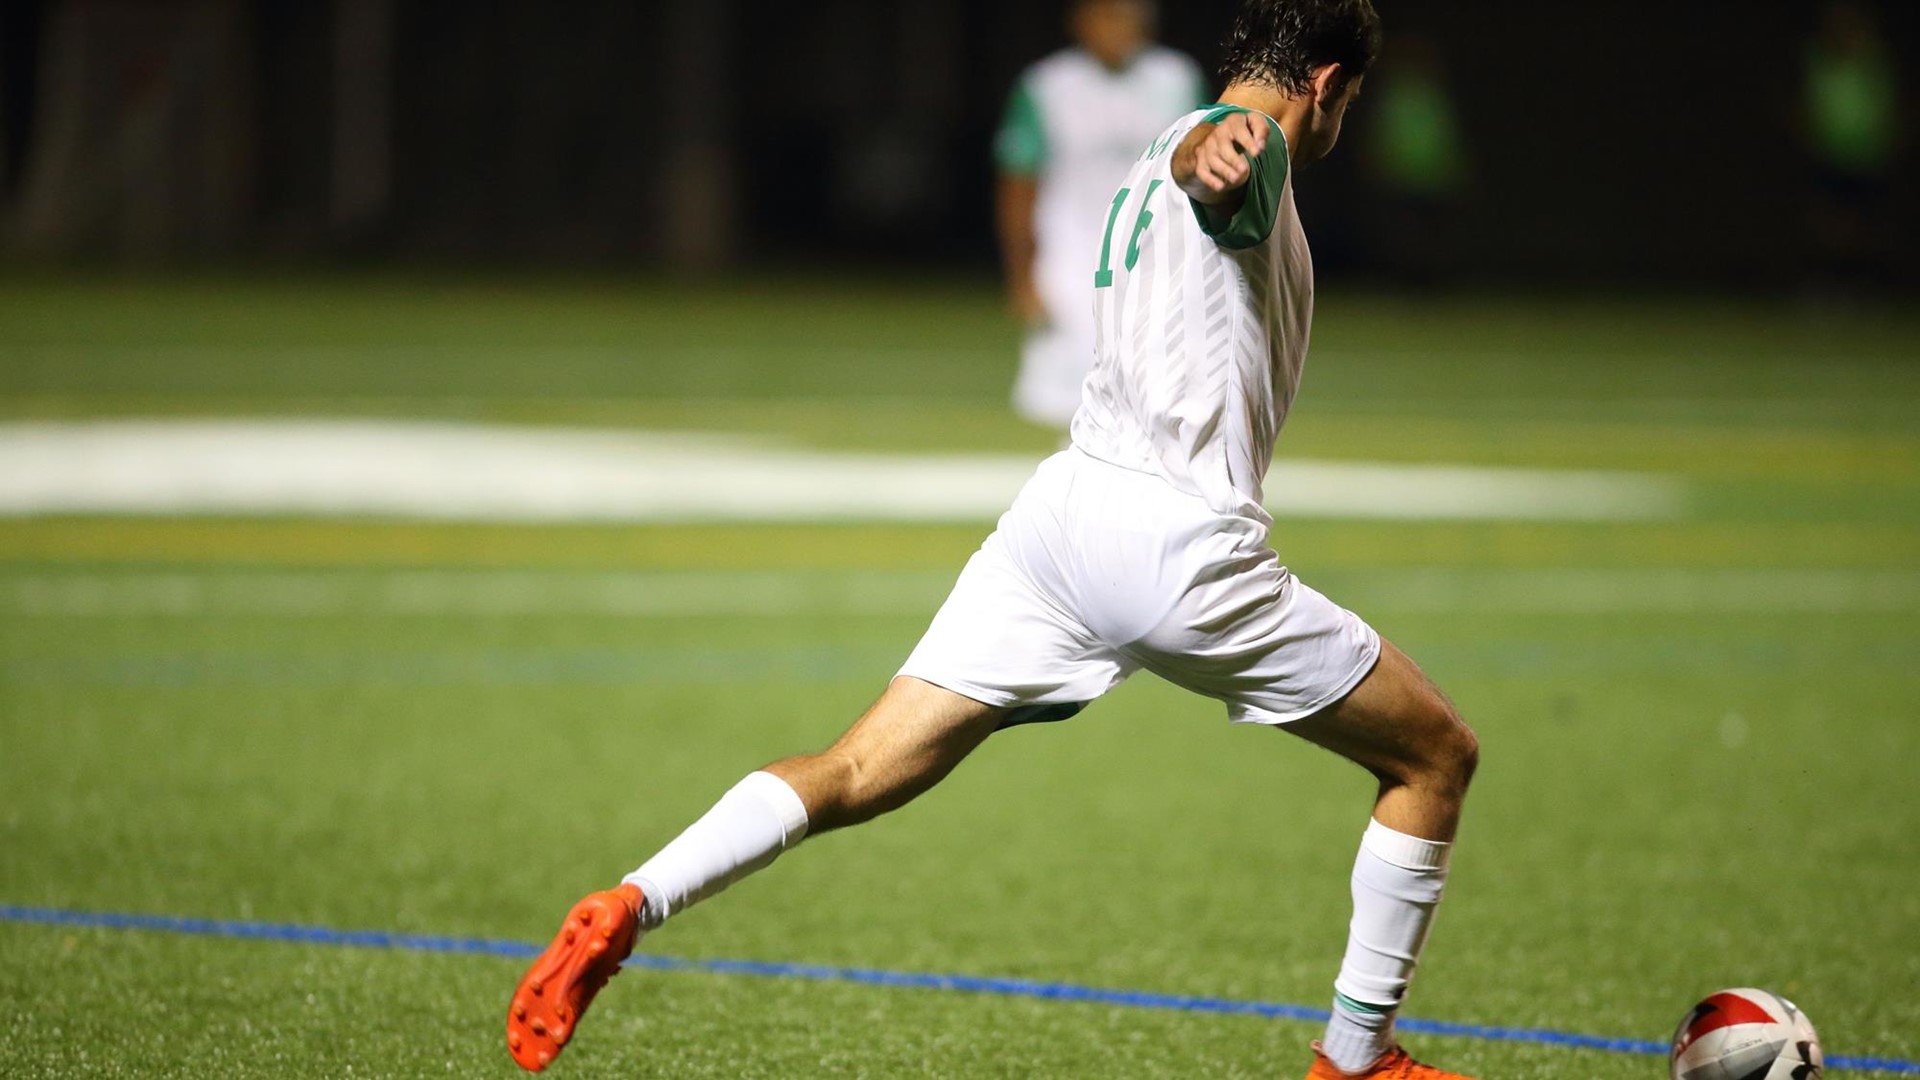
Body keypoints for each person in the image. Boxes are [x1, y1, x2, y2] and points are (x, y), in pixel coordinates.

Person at [506, 2, 1480, 1077]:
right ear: (1327, 82)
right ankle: (1356, 1061)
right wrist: (1233, 157)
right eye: (1349, 103)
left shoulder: (1157, 132)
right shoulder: (1226, 152)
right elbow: (1223, 184)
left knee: (853, 766)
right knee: (1435, 754)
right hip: (1180, 548)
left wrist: (1215, 150)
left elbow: (1199, 169)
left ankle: (630, 901)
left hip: (1062, 521)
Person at [996, 0, 1209, 429]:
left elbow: (1205, 170)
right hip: (1071, 256)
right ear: (1081, 21)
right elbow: (1019, 184)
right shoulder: (1047, 86)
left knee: (1158, 394)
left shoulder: (1178, 79)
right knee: (1065, 401)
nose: (1119, 27)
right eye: (1107, 14)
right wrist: (1021, 274)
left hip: (1156, 257)